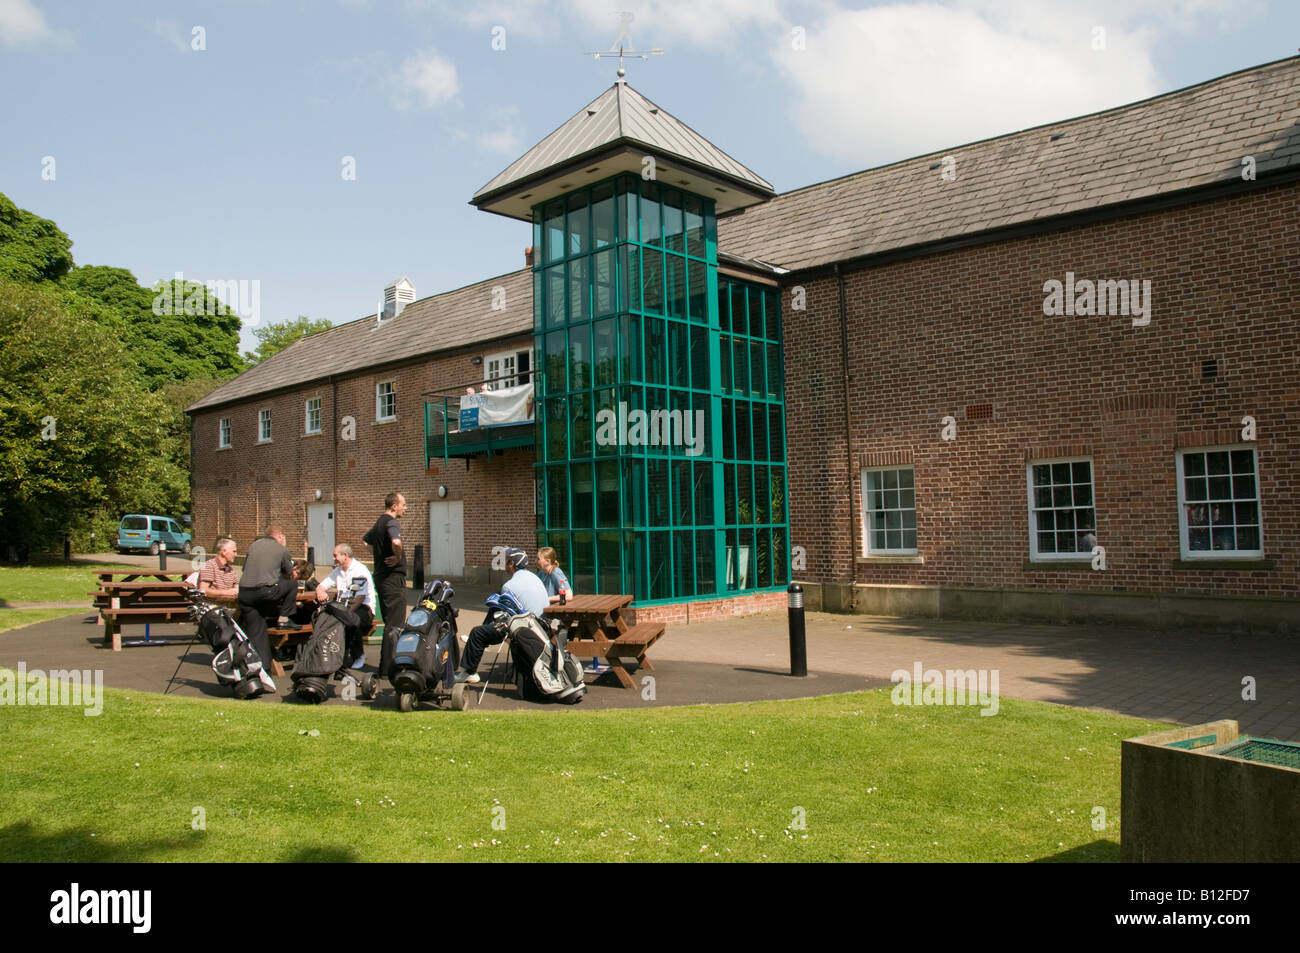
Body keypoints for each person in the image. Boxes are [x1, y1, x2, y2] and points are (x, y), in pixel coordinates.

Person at [455, 547, 549, 685]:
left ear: (512, 564)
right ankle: (484, 632)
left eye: (506, 561)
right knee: (496, 603)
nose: (505, 564)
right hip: (540, 624)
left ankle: (470, 673)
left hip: (524, 630)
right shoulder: (535, 577)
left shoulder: (509, 586)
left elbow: (505, 617)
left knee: (477, 633)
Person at [236, 524, 297, 671]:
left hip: (244, 594)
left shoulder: (254, 546)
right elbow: (290, 574)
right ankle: (284, 618)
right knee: (292, 584)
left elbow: (245, 569)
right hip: (265, 593)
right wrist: (283, 547)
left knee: (257, 630)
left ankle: (259, 668)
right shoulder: (282, 549)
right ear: (280, 536)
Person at [314, 543, 376, 670]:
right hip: (343, 607)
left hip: (363, 608)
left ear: (345, 556)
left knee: (352, 621)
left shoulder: (360, 571)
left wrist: (344, 613)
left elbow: (360, 598)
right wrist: (320, 591)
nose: (333, 559)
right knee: (322, 618)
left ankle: (358, 656)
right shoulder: (338, 571)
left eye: (335, 556)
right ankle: (328, 655)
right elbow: (322, 586)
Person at [364, 493, 408, 661]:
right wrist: (397, 557)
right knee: (395, 625)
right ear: (394, 506)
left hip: (382, 578)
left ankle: (387, 665)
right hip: (393, 579)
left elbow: (366, 541)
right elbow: (396, 542)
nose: (405, 508)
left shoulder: (378, 523)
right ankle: (390, 666)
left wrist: (379, 555)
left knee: (390, 621)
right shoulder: (391, 522)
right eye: (403, 504)